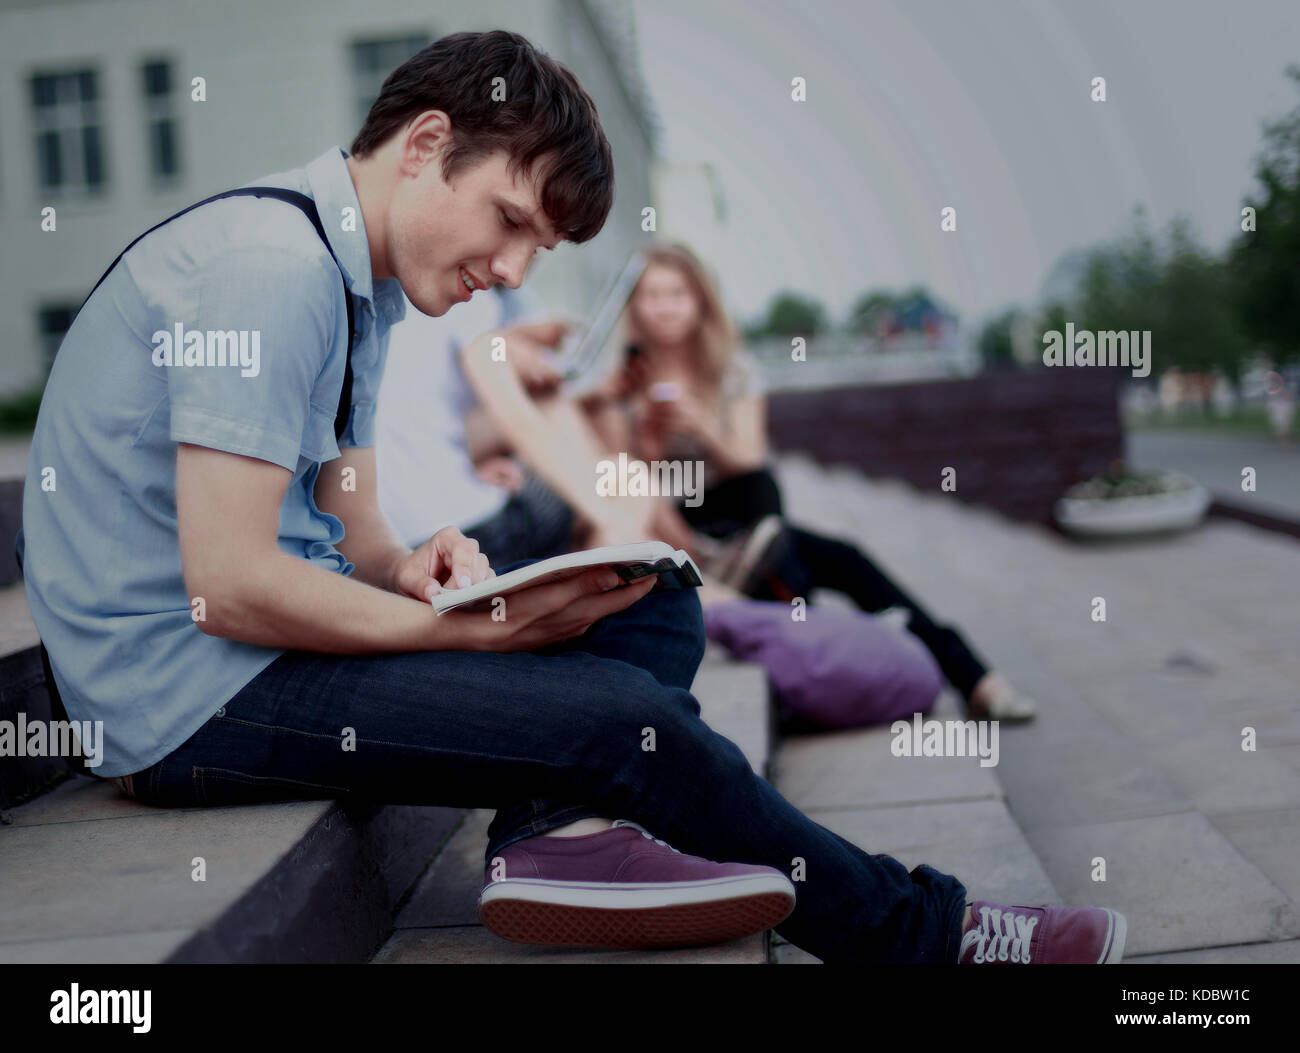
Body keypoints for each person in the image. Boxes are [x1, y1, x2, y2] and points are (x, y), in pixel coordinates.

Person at [15, 31, 1122, 963]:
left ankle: (550, 835)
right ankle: (930, 934)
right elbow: (227, 589)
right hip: (186, 700)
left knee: (651, 597)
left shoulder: (361, 293)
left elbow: (350, 539)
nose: (512, 271)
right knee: (620, 722)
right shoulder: (274, 271)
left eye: (536, 248)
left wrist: (419, 569)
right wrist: (478, 638)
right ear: (427, 145)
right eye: (508, 222)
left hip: (253, 652)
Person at [584, 243, 1038, 723]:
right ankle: (972, 677)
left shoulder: (732, 372)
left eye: (676, 293)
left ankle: (965, 675)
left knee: (800, 524)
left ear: (700, 302)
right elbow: (624, 485)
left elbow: (748, 456)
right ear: (635, 305)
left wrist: (700, 426)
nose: (664, 306)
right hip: (674, 528)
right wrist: (648, 434)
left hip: (745, 520)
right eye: (652, 295)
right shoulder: (622, 384)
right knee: (832, 557)